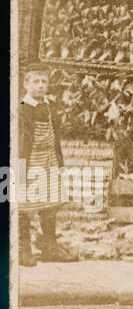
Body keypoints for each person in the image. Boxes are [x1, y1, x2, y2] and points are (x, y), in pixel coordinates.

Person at [17, 65, 80, 265]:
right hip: (27, 159)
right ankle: (22, 248)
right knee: (23, 204)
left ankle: (49, 247)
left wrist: (59, 162)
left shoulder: (50, 105)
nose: (40, 85)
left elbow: (56, 136)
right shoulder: (20, 108)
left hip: (49, 158)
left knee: (50, 203)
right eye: (35, 81)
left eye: (44, 81)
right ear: (26, 83)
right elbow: (18, 140)